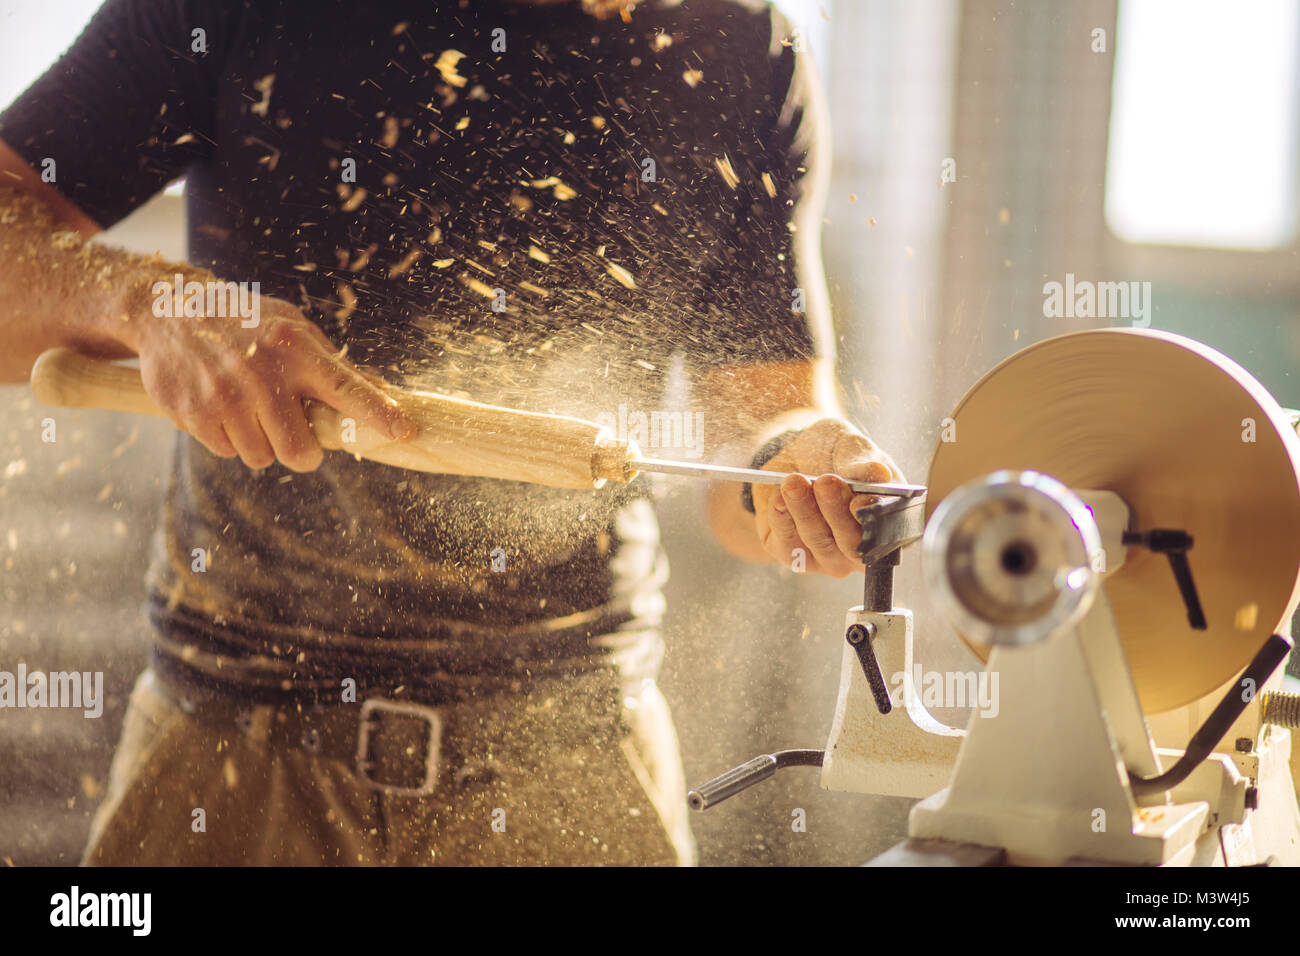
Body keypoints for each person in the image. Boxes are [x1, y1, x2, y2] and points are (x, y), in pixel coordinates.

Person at [0, 0, 902, 865]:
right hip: (235, 749)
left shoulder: (738, 45)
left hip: (570, 768)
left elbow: (750, 450)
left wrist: (796, 465)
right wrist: (156, 302)